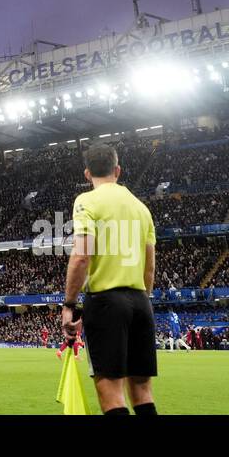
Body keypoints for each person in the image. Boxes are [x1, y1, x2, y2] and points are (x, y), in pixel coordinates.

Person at [62, 143, 158, 416]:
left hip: (105, 302)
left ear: (87, 174)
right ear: (118, 170)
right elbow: (149, 269)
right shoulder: (141, 208)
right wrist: (137, 302)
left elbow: (82, 256)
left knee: (112, 396)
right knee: (142, 394)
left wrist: (70, 305)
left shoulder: (86, 201)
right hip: (141, 303)